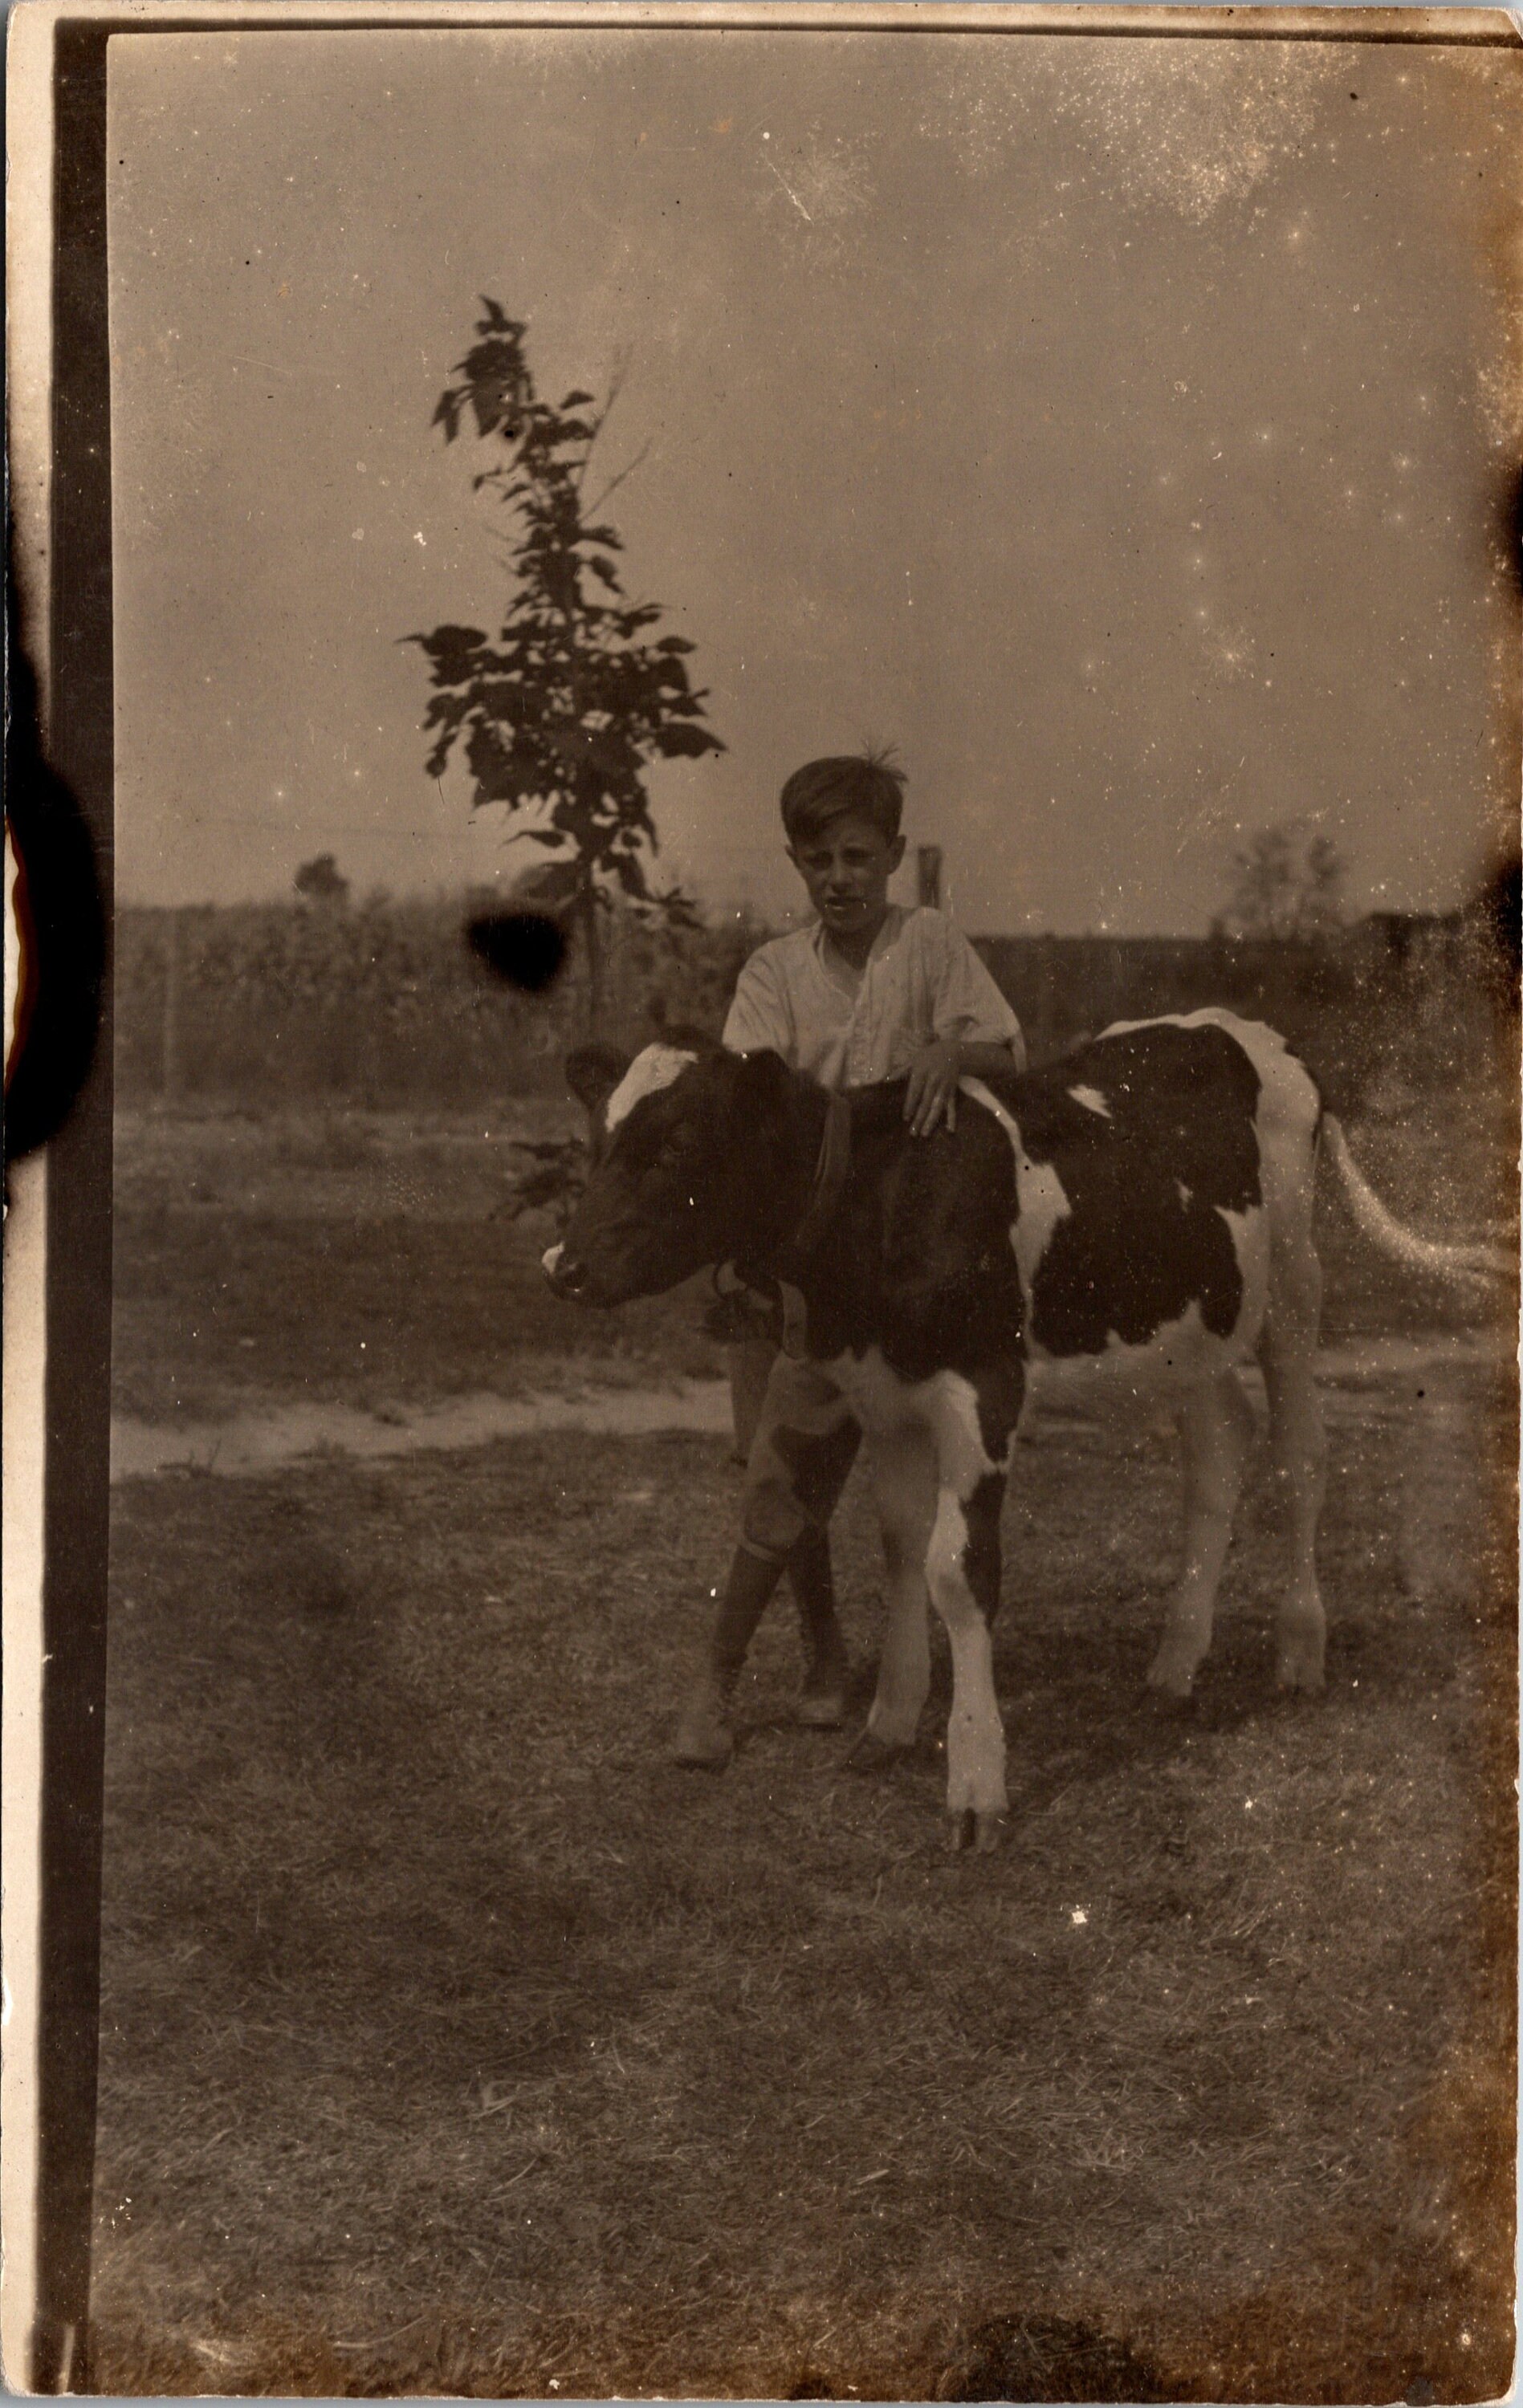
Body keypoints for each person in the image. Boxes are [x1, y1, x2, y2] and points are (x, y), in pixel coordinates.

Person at [674, 751, 1026, 1767]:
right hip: (800, 1268)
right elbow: (744, 1113)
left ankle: (861, 1665)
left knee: (908, 1476)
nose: (839, 877)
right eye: (818, 858)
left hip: (908, 1271)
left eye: (859, 856)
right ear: (795, 864)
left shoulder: (929, 946)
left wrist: (948, 1053)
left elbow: (1006, 1050)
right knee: (777, 1473)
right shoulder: (774, 975)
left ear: (894, 858)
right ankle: (741, 1677)